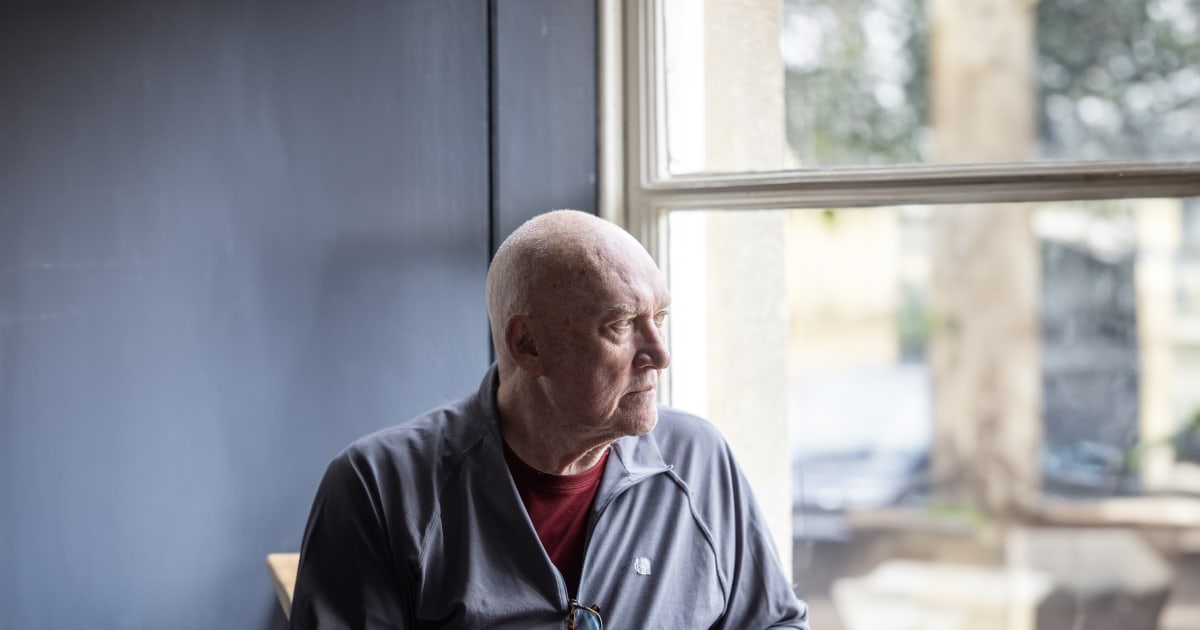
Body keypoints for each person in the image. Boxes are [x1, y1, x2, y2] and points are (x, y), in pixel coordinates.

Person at [290, 210, 810, 629]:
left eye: (661, 318)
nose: (659, 353)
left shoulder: (699, 459)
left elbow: (773, 623)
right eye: (622, 324)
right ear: (528, 345)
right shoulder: (378, 486)